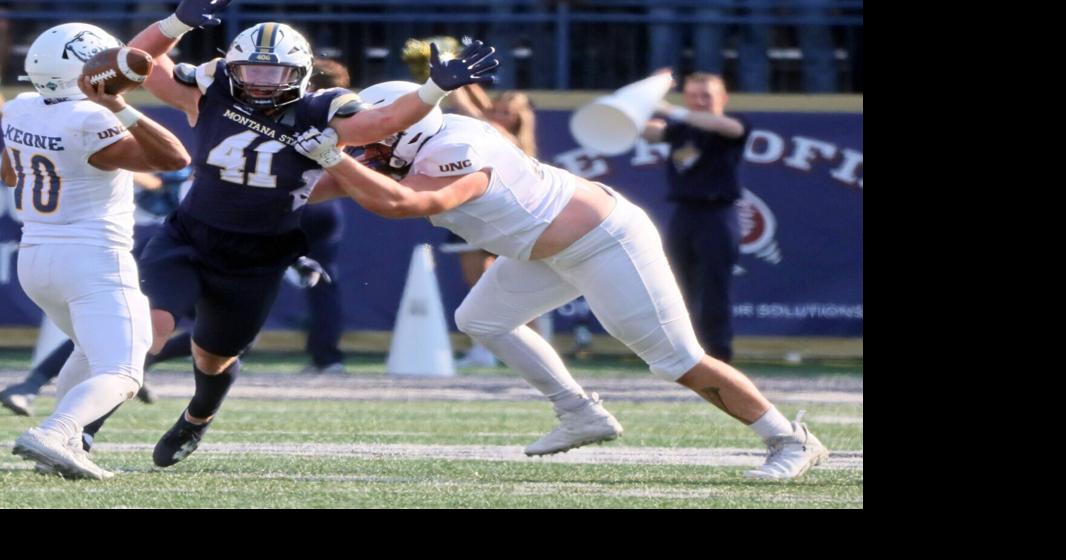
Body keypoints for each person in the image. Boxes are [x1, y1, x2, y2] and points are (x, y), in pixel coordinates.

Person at [292, 81, 828, 480]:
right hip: (540, 249)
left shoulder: (455, 149)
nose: (364, 141)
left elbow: (410, 202)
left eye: (375, 131)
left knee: (676, 360)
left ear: (408, 128)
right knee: (481, 318)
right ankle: (579, 412)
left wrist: (333, 159)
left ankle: (789, 439)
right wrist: (247, 178)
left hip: (603, 240)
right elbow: (331, 186)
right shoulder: (411, 146)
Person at [126, 0, 499, 468]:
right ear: (231, 68)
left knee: (212, 357)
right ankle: (77, 427)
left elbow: (378, 125)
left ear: (300, 73)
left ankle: (196, 419)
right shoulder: (210, 91)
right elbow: (136, 66)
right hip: (190, 234)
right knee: (148, 330)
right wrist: (174, 23)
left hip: (259, 251)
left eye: (274, 74)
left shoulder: (323, 109)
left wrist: (433, 91)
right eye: (251, 72)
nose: (260, 84)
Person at [2, 22, 191, 479]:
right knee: (126, 369)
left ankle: (65, 444)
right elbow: (174, 160)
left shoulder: (19, 106)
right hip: (91, 257)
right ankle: (55, 430)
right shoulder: (90, 118)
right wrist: (117, 105)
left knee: (90, 351)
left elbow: (9, 176)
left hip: (36, 256)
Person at [642, 71, 749, 363]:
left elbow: (730, 129)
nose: (699, 102)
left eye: (707, 96)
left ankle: (718, 355)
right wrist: (640, 102)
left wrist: (669, 108)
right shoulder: (681, 130)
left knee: (715, 286)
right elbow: (649, 131)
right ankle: (680, 353)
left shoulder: (731, 125)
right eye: (693, 96)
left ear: (723, 98)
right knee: (676, 285)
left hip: (717, 214)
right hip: (684, 213)